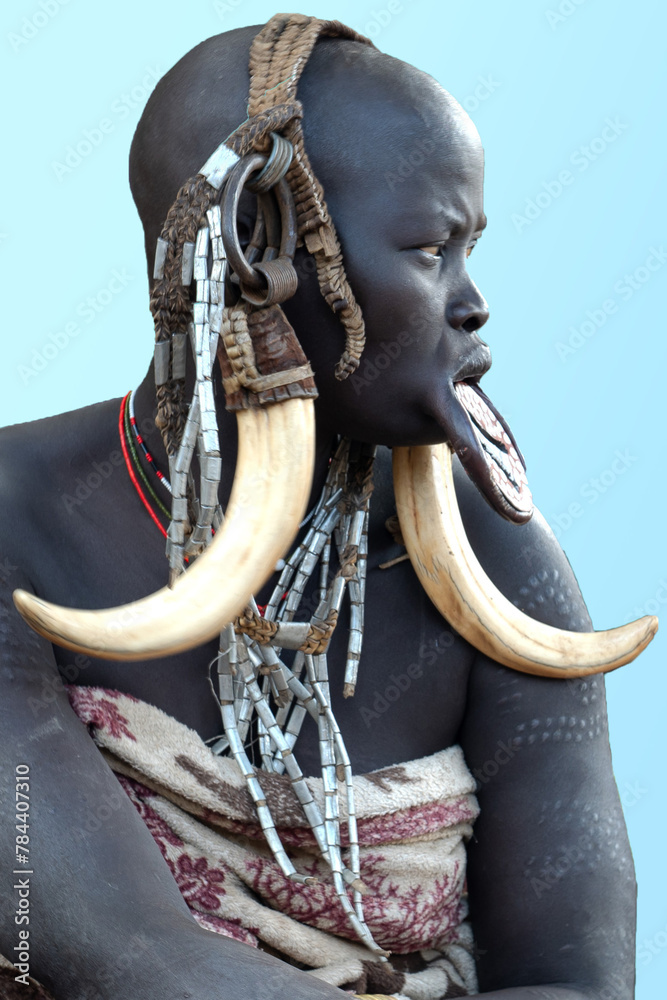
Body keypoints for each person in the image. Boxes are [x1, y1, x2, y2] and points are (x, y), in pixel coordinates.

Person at [0, 15, 652, 1000]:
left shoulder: (498, 556)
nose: (473, 304)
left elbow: (579, 982)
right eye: (431, 249)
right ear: (255, 248)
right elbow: (135, 967)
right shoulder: (22, 517)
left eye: (469, 249)